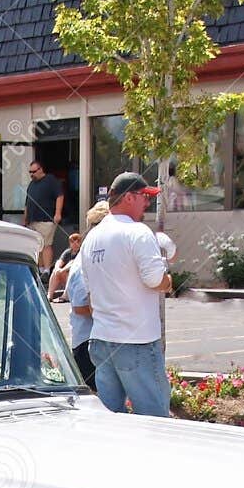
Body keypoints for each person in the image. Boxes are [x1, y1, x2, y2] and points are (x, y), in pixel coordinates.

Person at [78, 172, 172, 418]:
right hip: (136, 340)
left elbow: (88, 293)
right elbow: (155, 280)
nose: (147, 203)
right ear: (129, 197)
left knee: (111, 419)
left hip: (101, 339)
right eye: (144, 196)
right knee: (154, 418)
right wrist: (168, 280)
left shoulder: (91, 239)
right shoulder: (138, 232)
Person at [64, 203, 109, 387]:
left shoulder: (90, 256)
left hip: (90, 340)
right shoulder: (86, 260)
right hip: (86, 343)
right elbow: (80, 307)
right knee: (96, 397)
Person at [23, 157, 63, 273]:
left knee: (46, 244)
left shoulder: (50, 180)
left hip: (46, 219)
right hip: (32, 220)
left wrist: (57, 213)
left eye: (34, 172)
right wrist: (25, 219)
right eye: (30, 172)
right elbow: (27, 202)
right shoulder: (31, 184)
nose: (32, 174)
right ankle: (40, 269)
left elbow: (59, 195)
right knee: (37, 246)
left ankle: (46, 270)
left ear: (41, 169)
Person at [47, 231, 82, 301]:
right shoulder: (68, 252)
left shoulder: (81, 252)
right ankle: (49, 295)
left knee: (70, 272)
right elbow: (60, 261)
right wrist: (57, 269)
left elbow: (73, 263)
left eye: (77, 242)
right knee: (55, 272)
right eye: (72, 242)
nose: (75, 244)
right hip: (65, 276)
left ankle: (65, 296)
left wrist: (62, 270)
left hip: (77, 278)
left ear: (80, 243)